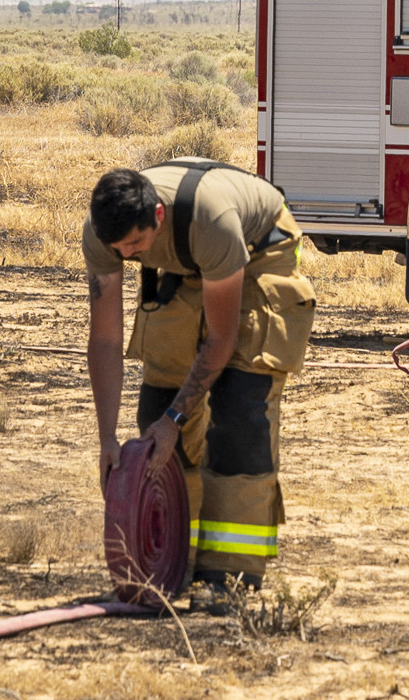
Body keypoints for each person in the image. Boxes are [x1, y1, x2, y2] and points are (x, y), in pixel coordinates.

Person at [84, 158, 316, 608]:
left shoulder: (213, 221)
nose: (128, 257)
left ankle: (229, 575)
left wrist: (177, 418)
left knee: (238, 409)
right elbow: (106, 339)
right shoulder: (104, 234)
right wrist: (108, 438)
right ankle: (176, 561)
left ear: (156, 217)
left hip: (259, 252)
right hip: (189, 263)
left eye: (134, 246)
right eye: (119, 251)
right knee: (155, 411)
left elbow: (222, 338)